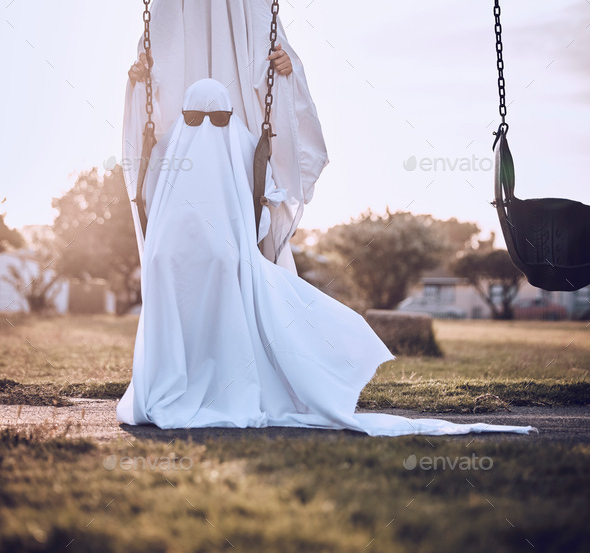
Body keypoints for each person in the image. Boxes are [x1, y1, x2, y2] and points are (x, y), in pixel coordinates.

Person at [116, 78, 537, 438]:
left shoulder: (215, 146)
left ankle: (207, 383)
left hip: (210, 262)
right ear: (186, 116)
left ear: (228, 116)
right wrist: (137, 86)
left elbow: (270, 172)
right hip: (186, 263)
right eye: (197, 118)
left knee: (233, 304)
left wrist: (281, 82)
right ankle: (193, 382)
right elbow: (153, 190)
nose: (208, 128)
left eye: (218, 118)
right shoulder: (185, 148)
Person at [123, 0, 328, 272]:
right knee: (184, 248)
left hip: (241, 147)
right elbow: (148, 81)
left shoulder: (260, 13)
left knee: (238, 248)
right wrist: (139, 77)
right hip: (181, 149)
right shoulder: (165, 12)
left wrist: (285, 71)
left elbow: (284, 75)